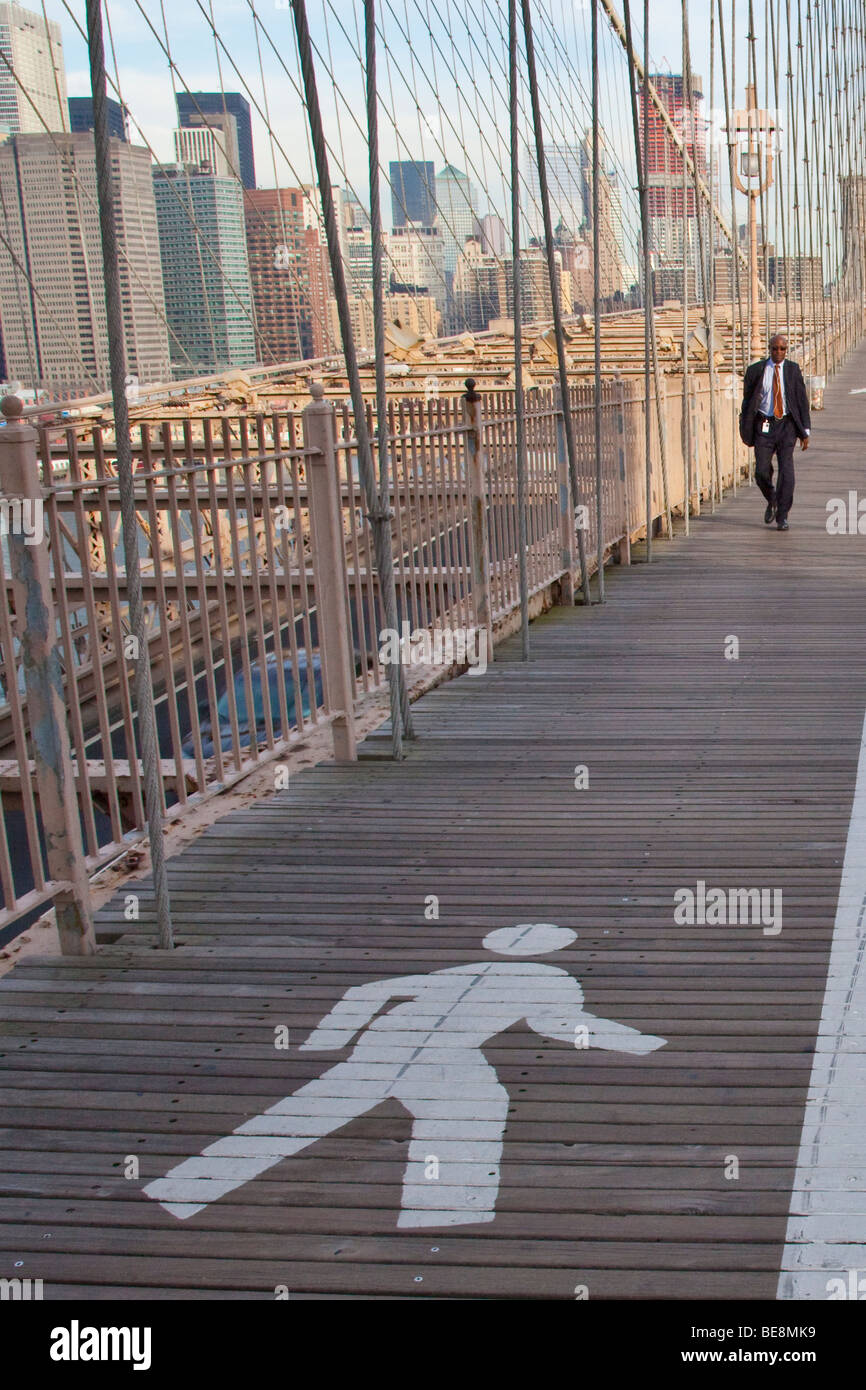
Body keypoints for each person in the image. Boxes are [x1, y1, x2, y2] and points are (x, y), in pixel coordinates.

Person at [143, 923, 666, 1229]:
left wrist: (325, 1041)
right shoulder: (551, 979)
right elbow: (561, 1025)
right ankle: (441, 1211)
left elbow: (366, 991)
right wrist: (637, 1042)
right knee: (474, 1110)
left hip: (388, 1043)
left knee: (305, 1113)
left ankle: (187, 1186)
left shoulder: (459, 971)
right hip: (440, 1052)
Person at [739, 333, 811, 531]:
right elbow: (747, 401)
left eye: (782, 349)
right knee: (761, 471)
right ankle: (772, 499)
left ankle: (782, 516)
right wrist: (744, 425)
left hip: (787, 425)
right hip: (764, 424)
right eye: (774, 348)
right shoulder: (756, 371)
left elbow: (801, 400)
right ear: (769, 349)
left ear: (786, 350)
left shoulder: (793, 370)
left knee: (787, 473)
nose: (778, 352)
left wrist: (805, 431)